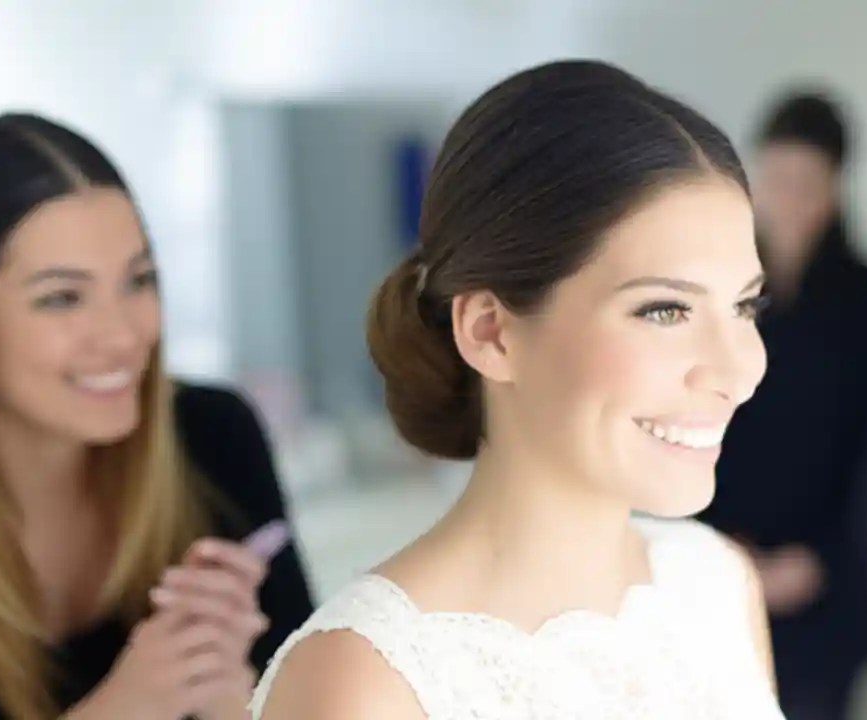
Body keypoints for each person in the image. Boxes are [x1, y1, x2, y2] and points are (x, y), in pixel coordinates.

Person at [250, 60, 784, 719]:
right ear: (491, 332)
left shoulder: (715, 584)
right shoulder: (365, 682)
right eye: (665, 311)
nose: (738, 371)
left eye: (744, 307)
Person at [0, 113, 314, 720]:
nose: (122, 336)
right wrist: (128, 706)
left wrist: (230, 695)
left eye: (138, 281)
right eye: (63, 297)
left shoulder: (211, 435)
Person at [696, 92, 867, 719]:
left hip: (824, 585)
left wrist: (814, 559)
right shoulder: (716, 291)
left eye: (805, 182)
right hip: (718, 565)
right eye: (776, 178)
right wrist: (720, 550)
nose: (787, 198)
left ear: (836, 187)